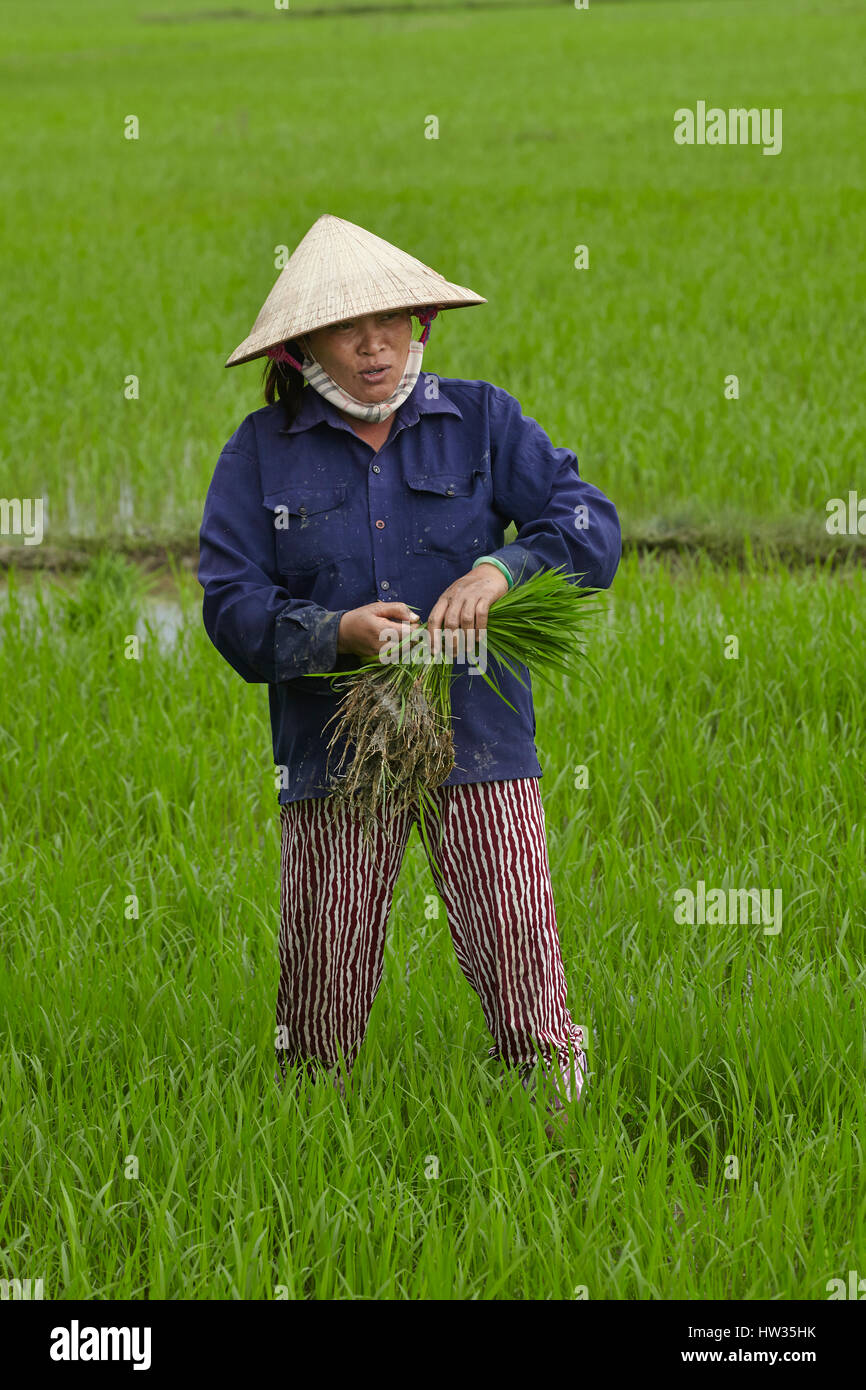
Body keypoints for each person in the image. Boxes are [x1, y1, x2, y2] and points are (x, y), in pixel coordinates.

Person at [198, 214, 621, 1132]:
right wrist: (338, 631)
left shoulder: (479, 421)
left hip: (482, 740)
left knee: (524, 970)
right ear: (303, 344)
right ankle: (308, 1162)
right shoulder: (259, 453)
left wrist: (500, 570)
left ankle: (560, 1142)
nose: (374, 344)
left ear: (422, 322)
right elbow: (229, 608)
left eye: (393, 320)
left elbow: (589, 524)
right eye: (348, 327)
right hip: (337, 753)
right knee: (321, 1003)